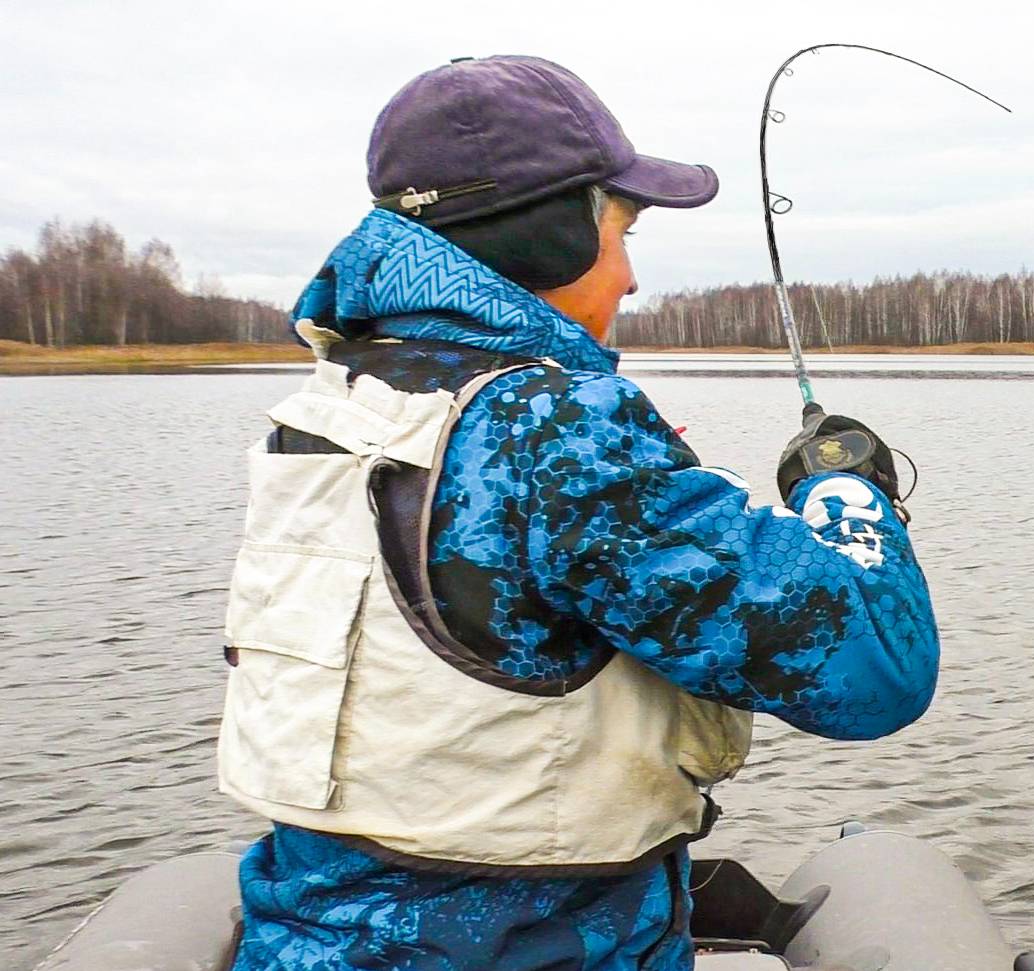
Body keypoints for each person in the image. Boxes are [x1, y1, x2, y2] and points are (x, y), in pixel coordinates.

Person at [216, 55, 939, 970]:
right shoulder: (551, 429)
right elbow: (877, 667)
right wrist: (844, 488)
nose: (631, 277)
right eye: (622, 231)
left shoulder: (336, 407)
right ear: (548, 236)